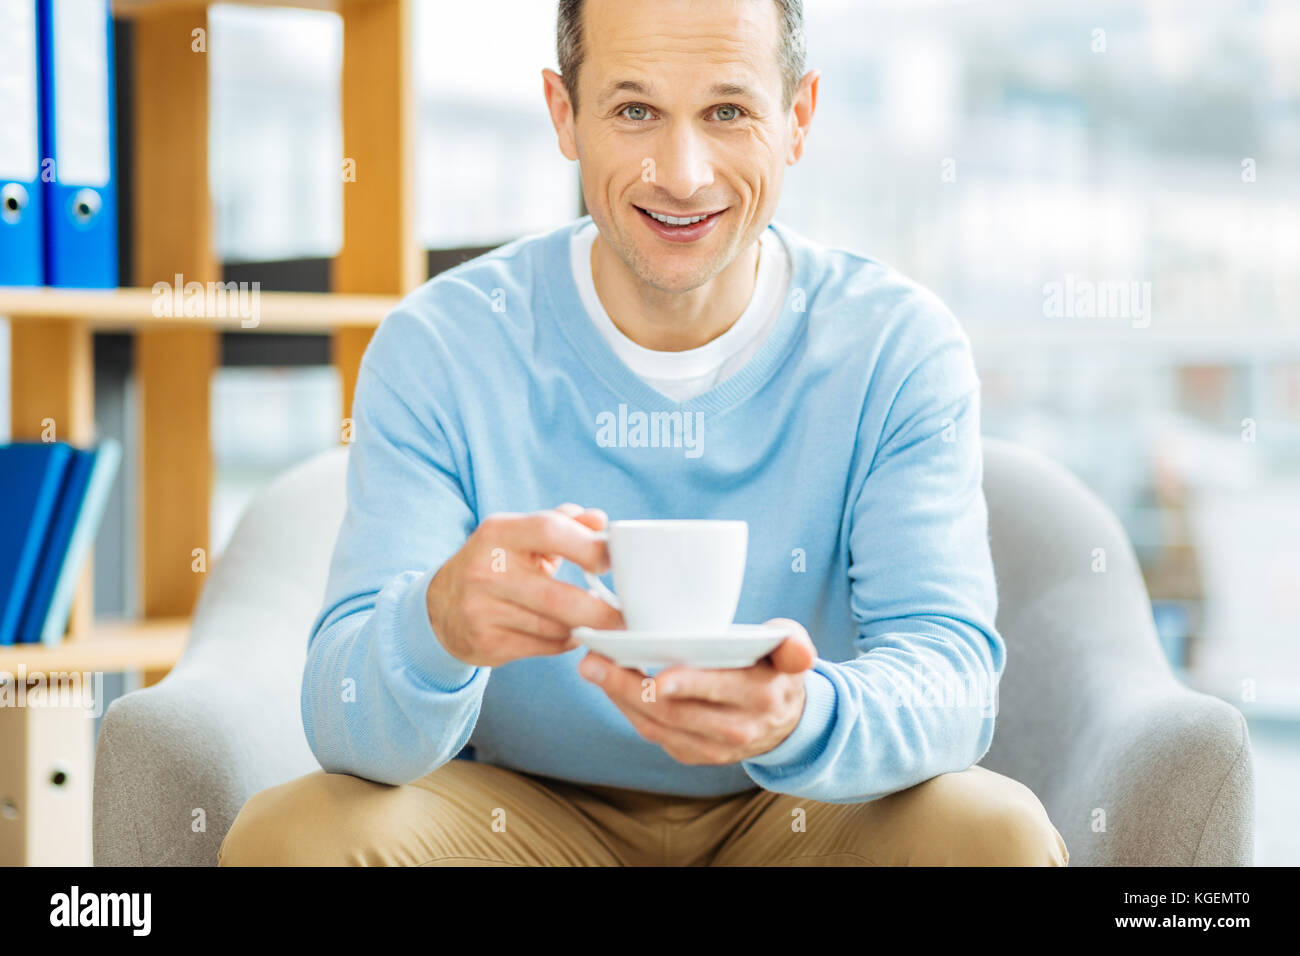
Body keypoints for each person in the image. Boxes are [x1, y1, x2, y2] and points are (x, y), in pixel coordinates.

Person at [219, 0, 1068, 866]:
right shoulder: (441, 345)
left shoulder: (895, 345)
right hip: (516, 814)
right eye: (634, 111)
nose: (683, 173)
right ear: (565, 116)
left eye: (728, 112)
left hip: (798, 805)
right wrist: (435, 627)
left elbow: (952, 678)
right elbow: (343, 722)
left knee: (994, 833)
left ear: (797, 119)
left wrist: (800, 714)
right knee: (294, 835)